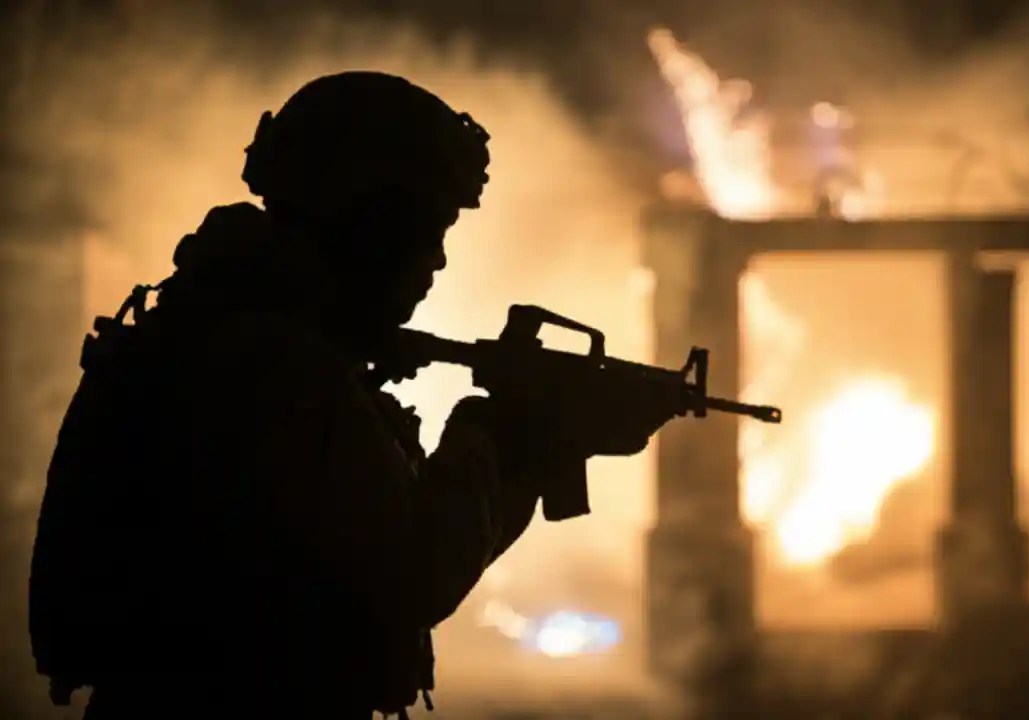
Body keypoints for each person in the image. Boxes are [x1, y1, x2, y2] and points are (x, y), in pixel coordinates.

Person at [29, 71, 671, 719]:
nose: (438, 261)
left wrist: (521, 449)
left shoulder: (232, 335)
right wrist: (500, 433)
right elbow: (410, 578)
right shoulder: (274, 371)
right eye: (430, 230)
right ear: (372, 225)